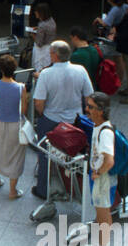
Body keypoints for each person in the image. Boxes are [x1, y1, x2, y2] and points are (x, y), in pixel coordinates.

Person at [31, 40, 95, 199]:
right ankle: (73, 187)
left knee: (45, 154)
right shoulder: (81, 70)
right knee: (75, 153)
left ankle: (43, 189)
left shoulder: (46, 74)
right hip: (75, 121)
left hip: (51, 120)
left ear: (54, 55)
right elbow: (89, 96)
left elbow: (38, 102)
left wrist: (43, 114)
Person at [79, 92, 115, 246]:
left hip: (102, 179)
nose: (87, 109)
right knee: (102, 216)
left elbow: (109, 161)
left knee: (102, 219)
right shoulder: (98, 126)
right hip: (100, 177)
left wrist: (98, 173)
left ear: (101, 110)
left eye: (91, 107)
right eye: (87, 105)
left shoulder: (105, 132)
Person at [0, 54, 30, 198]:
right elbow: (23, 109)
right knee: (16, 156)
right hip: (15, 124)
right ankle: (12, 191)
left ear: (0, 68)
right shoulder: (21, 87)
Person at [30, 2, 56, 72]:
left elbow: (39, 43)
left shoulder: (42, 26)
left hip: (41, 51)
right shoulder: (51, 20)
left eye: (36, 11)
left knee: (39, 69)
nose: (35, 13)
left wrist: (32, 35)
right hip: (49, 47)